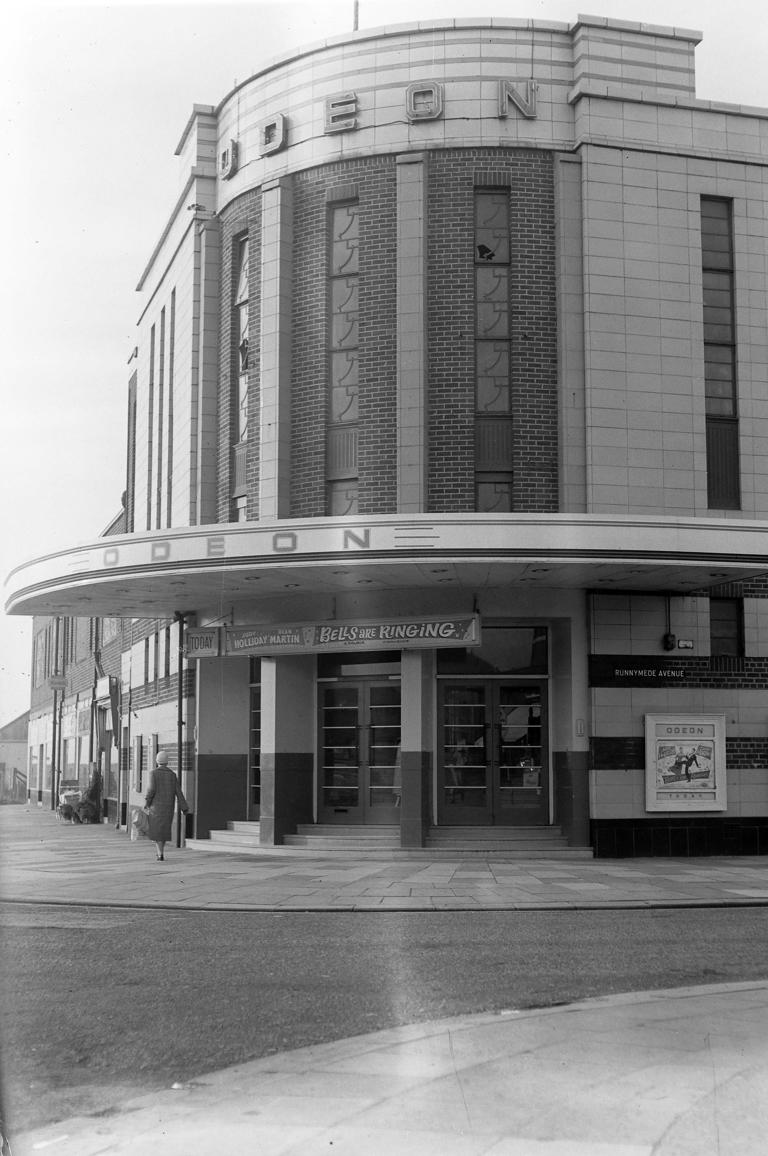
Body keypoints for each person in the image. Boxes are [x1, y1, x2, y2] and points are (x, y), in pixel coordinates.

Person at [144, 750, 189, 862]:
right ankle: (160, 852)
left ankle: (160, 854)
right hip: (168, 808)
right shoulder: (172, 775)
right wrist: (184, 807)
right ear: (167, 761)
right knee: (163, 831)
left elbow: (151, 790)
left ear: (157, 761)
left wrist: (147, 803)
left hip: (156, 808)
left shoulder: (153, 773)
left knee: (157, 832)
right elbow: (178, 792)